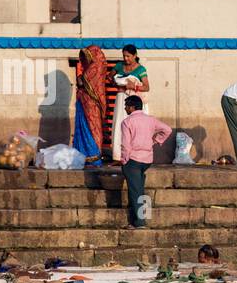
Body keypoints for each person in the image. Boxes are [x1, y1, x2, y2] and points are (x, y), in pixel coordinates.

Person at [119, 95, 171, 229]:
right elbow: (167, 130)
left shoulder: (127, 122)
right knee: (139, 188)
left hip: (133, 160)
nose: (125, 109)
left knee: (135, 191)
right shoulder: (150, 120)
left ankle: (140, 222)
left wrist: (124, 160)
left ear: (132, 107)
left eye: (126, 106)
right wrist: (156, 141)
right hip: (147, 160)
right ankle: (137, 221)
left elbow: (126, 145)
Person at [72, 44, 110, 166]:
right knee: (84, 128)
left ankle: (93, 156)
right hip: (84, 103)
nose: (85, 60)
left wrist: (80, 79)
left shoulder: (97, 67)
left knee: (92, 128)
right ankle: (83, 155)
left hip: (91, 105)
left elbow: (84, 80)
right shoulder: (91, 68)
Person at [112, 44, 150, 162]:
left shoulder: (140, 69)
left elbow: (147, 87)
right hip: (121, 98)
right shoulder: (119, 66)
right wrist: (118, 85)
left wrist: (133, 86)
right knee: (119, 124)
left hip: (133, 100)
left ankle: (133, 156)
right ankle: (118, 156)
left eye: (128, 56)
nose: (126, 59)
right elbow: (109, 77)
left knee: (133, 126)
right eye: (124, 56)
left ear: (135, 55)